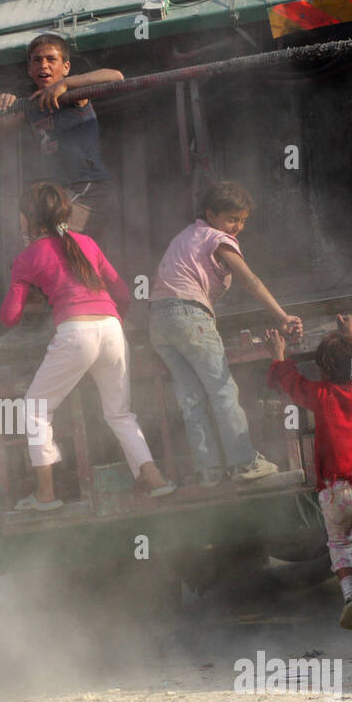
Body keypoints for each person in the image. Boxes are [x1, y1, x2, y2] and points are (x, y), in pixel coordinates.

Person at [1, 183, 174, 510]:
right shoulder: (86, 243)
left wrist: (21, 280)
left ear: (28, 220)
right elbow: (122, 293)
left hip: (75, 334)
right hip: (111, 329)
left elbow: (9, 317)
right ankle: (155, 480)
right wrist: (109, 322)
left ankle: (46, 494)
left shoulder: (27, 258)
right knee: (120, 413)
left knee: (35, 409)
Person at [148, 182, 302, 488]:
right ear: (211, 214)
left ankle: (209, 471)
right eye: (232, 219)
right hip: (190, 316)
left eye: (243, 220)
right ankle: (244, 462)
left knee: (191, 398)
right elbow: (251, 280)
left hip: (159, 322)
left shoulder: (185, 236)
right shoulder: (216, 238)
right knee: (222, 392)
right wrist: (282, 316)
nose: (238, 227)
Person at [264, 315, 352, 656]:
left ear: (324, 368)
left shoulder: (321, 395)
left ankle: (351, 596)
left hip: (334, 490)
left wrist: (278, 353)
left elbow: (290, 382)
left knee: (339, 543)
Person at [0, 33, 121, 250]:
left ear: (66, 67)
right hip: (61, 193)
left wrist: (66, 84)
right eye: (37, 60)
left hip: (89, 188)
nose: (43, 65)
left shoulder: (75, 94)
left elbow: (115, 76)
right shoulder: (31, 105)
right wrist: (4, 106)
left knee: (51, 239)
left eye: (51, 59)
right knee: (30, 228)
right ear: (29, 69)